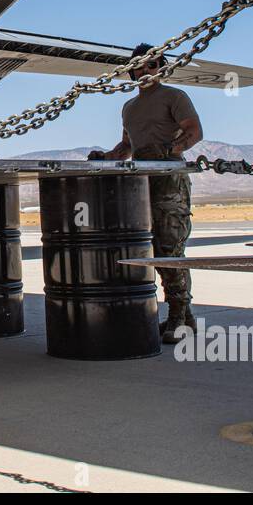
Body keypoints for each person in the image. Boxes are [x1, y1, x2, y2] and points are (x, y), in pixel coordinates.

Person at [88, 43, 203, 342]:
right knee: (150, 246)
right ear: (132, 71)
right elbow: (125, 147)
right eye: (140, 66)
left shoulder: (174, 97)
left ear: (161, 66)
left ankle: (178, 316)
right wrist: (106, 157)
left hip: (169, 179)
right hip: (141, 181)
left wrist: (170, 152)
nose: (146, 71)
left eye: (152, 65)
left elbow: (193, 131)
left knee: (171, 247)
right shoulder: (129, 107)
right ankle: (184, 317)